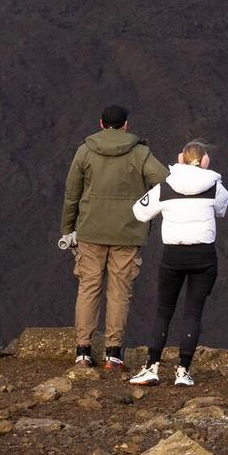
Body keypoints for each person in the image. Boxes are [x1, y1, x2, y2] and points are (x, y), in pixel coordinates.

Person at [59, 104, 168, 370]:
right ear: (126, 125)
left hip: (90, 230)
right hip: (128, 232)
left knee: (88, 288)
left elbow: (72, 193)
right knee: (120, 292)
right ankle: (113, 353)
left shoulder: (85, 151)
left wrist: (67, 228)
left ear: (100, 124)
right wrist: (144, 209)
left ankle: (83, 351)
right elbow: (164, 181)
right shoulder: (141, 153)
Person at [129, 141, 228, 388]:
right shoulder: (215, 187)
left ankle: (152, 367)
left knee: (164, 311)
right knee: (192, 313)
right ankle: (183, 371)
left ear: (181, 159)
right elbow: (222, 210)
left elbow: (139, 212)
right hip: (204, 256)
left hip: (173, 255)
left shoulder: (165, 187)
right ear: (205, 160)